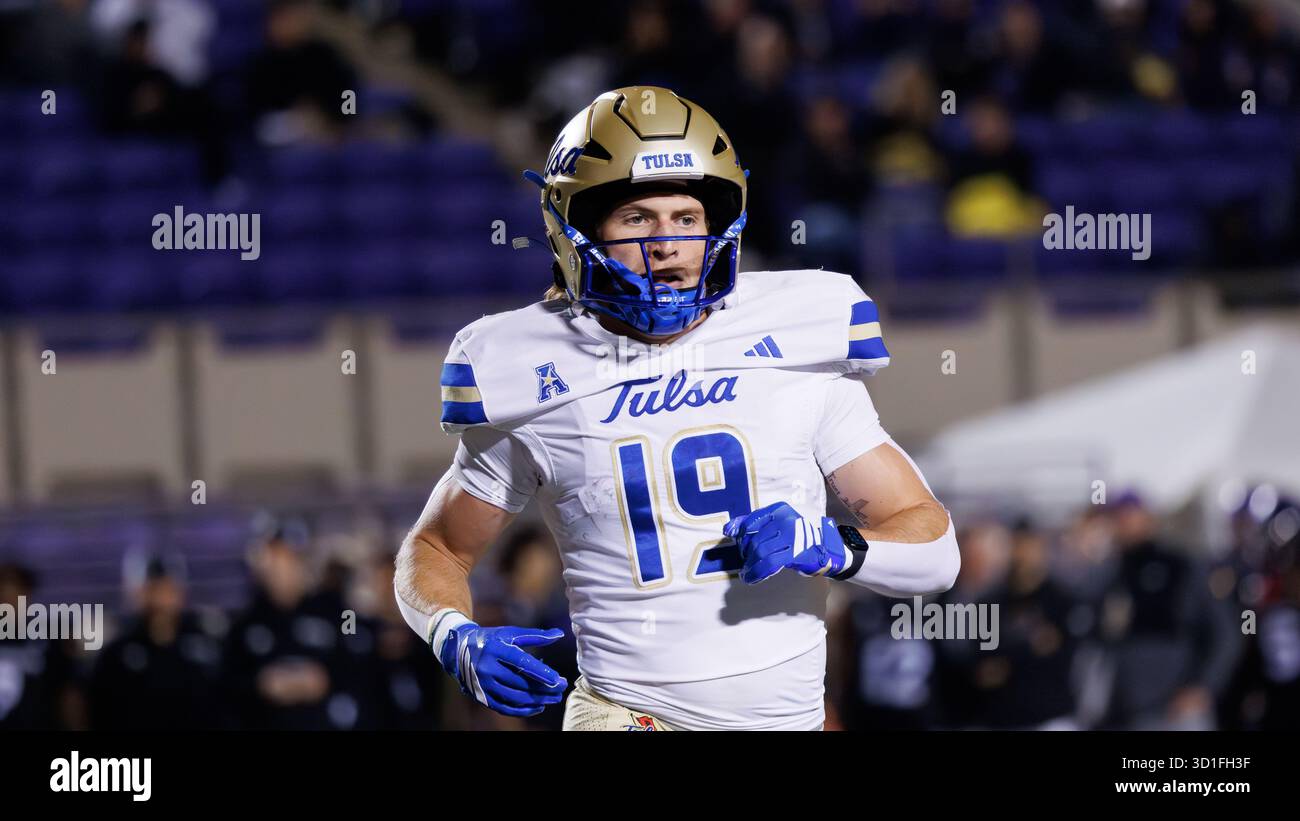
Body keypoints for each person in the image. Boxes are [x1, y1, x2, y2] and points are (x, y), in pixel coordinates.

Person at [394, 86, 960, 731]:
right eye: (636, 218)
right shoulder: (530, 369)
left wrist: (830, 543)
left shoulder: (799, 344)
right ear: (576, 230)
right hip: (633, 715)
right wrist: (451, 632)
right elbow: (438, 546)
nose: (666, 244)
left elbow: (934, 551)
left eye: (686, 218)